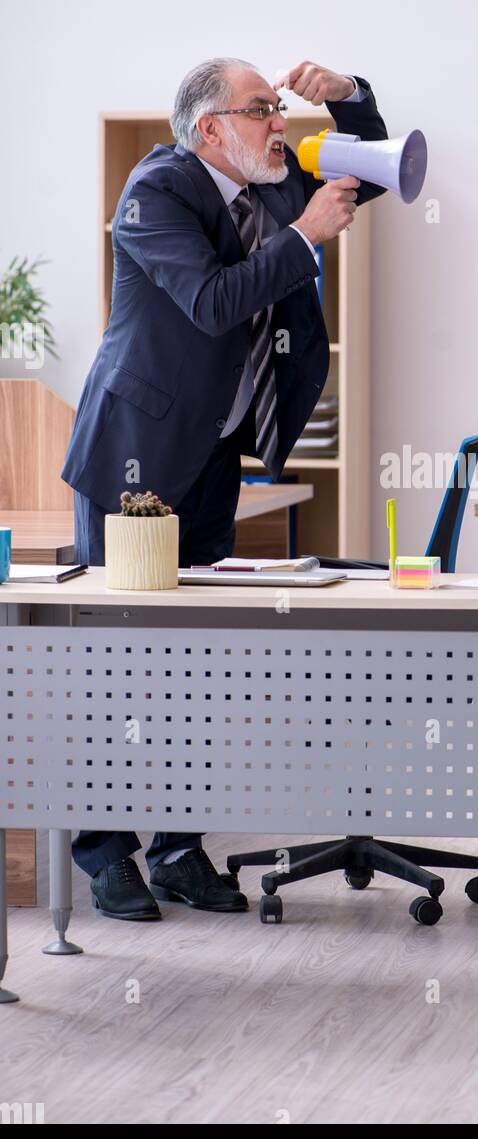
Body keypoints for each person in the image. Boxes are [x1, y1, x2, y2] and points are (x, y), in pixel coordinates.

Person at [61, 57, 388, 920]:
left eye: (279, 108)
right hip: (132, 455)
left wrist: (348, 98)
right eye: (262, 110)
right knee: (116, 664)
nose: (281, 123)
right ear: (210, 129)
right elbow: (210, 302)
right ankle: (104, 855)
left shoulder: (274, 181)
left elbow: (373, 172)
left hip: (209, 456)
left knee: (192, 666)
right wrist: (306, 236)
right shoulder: (155, 191)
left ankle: (177, 849)